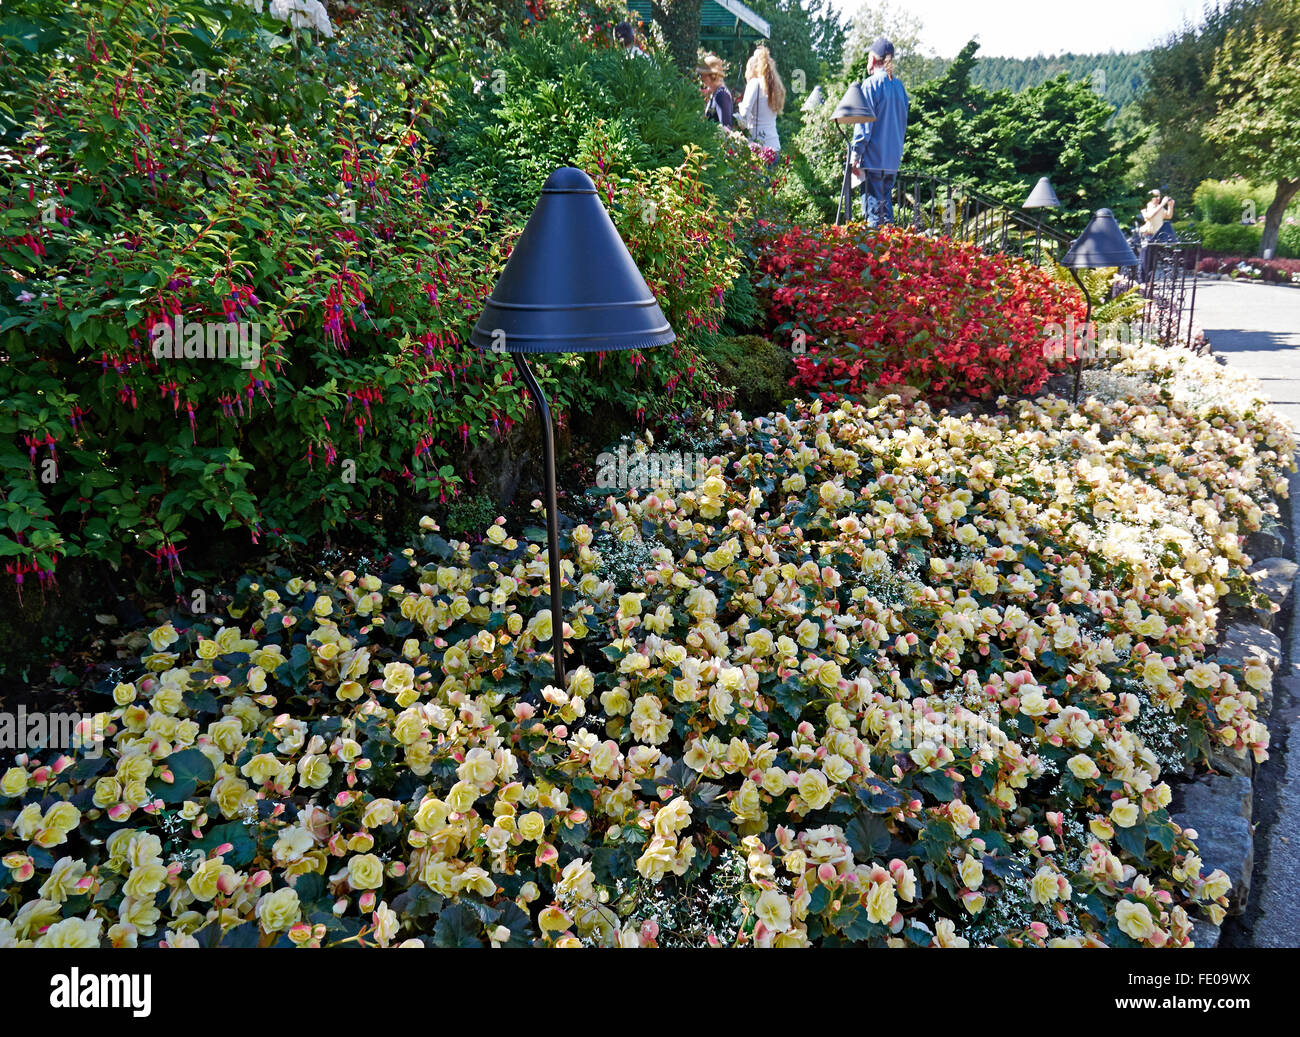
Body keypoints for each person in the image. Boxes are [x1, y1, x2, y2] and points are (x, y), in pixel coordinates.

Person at [851, 37, 909, 227]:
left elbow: (863, 125)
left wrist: (855, 155)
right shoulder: (899, 87)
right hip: (892, 162)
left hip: (873, 162)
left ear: (874, 58)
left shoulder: (870, 85)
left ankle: (877, 256)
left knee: (874, 218)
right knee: (886, 215)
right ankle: (890, 254)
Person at [736, 44, 785, 156]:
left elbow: (744, 113)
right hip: (775, 146)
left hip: (760, 148)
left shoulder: (754, 83)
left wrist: (739, 105)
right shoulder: (774, 86)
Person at [697, 53, 733, 130]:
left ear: (713, 75)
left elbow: (726, 127)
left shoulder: (722, 95)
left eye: (703, 74)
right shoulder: (716, 93)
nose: (701, 78)